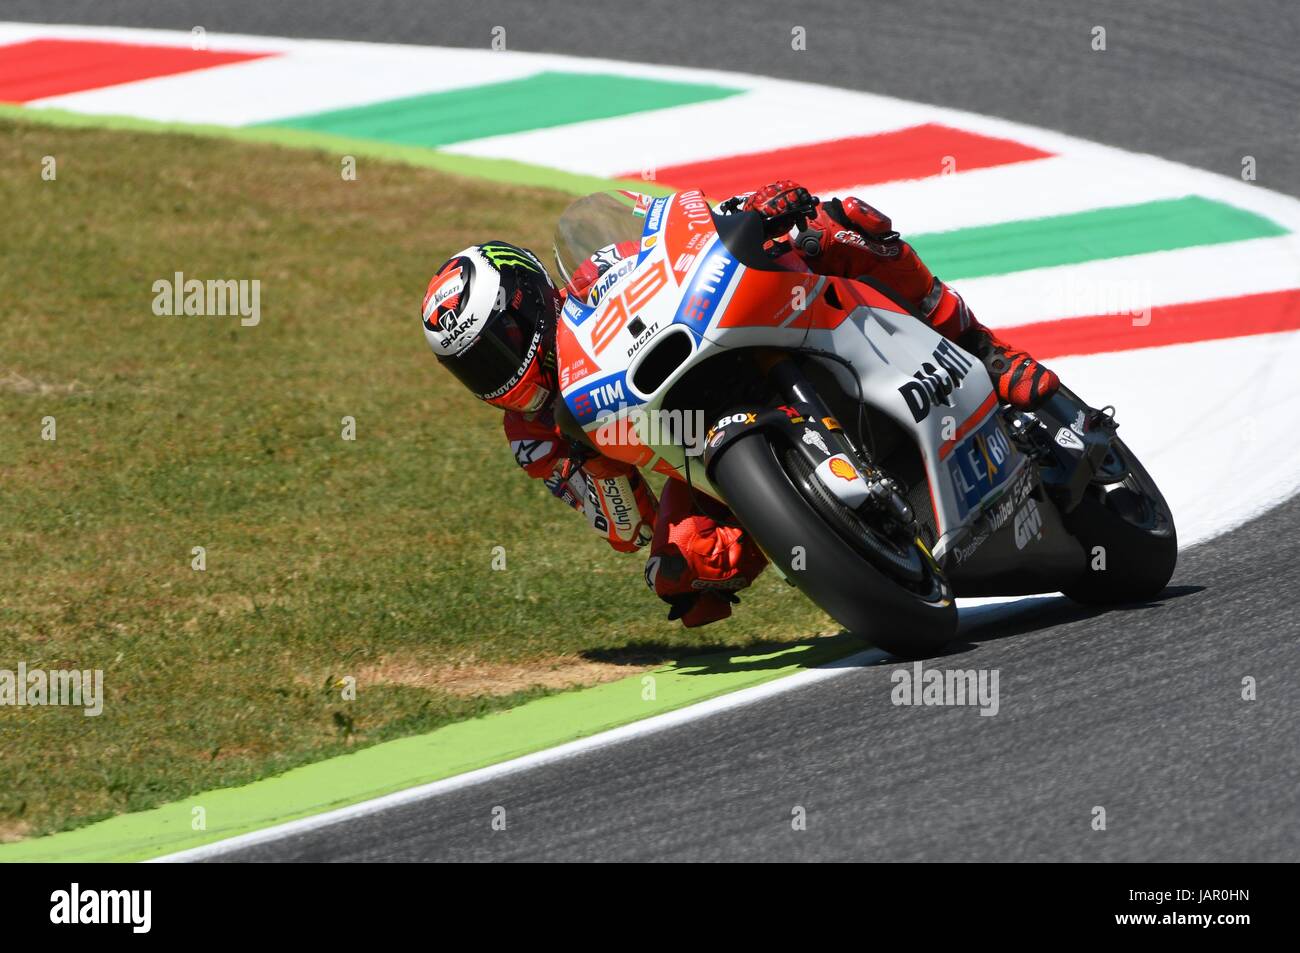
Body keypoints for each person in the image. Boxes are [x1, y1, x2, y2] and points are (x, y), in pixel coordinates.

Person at [421, 181, 1060, 627]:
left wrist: (752, 209)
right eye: (473, 366)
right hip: (691, 451)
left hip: (724, 330)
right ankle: (824, 532)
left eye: (498, 346)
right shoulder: (533, 436)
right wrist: (595, 474)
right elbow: (629, 528)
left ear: (530, 301)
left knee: (839, 226)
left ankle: (985, 349)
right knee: (682, 560)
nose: (497, 372)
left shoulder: (595, 273)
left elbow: (680, 235)